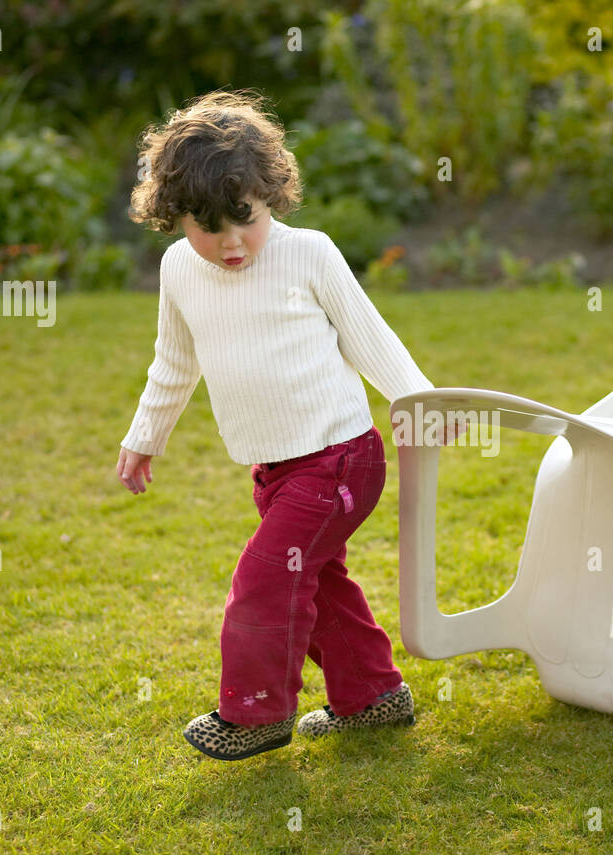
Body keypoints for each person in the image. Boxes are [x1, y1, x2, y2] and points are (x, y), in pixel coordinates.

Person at [116, 90, 465, 761]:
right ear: (173, 215)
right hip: (274, 469)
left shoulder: (309, 254)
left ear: (270, 194)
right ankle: (372, 696)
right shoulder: (179, 270)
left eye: (243, 219)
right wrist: (143, 437)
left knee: (266, 581)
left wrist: (420, 400)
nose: (231, 242)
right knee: (316, 576)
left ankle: (255, 714)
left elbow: (369, 338)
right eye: (206, 226)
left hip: (339, 459)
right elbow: (173, 363)